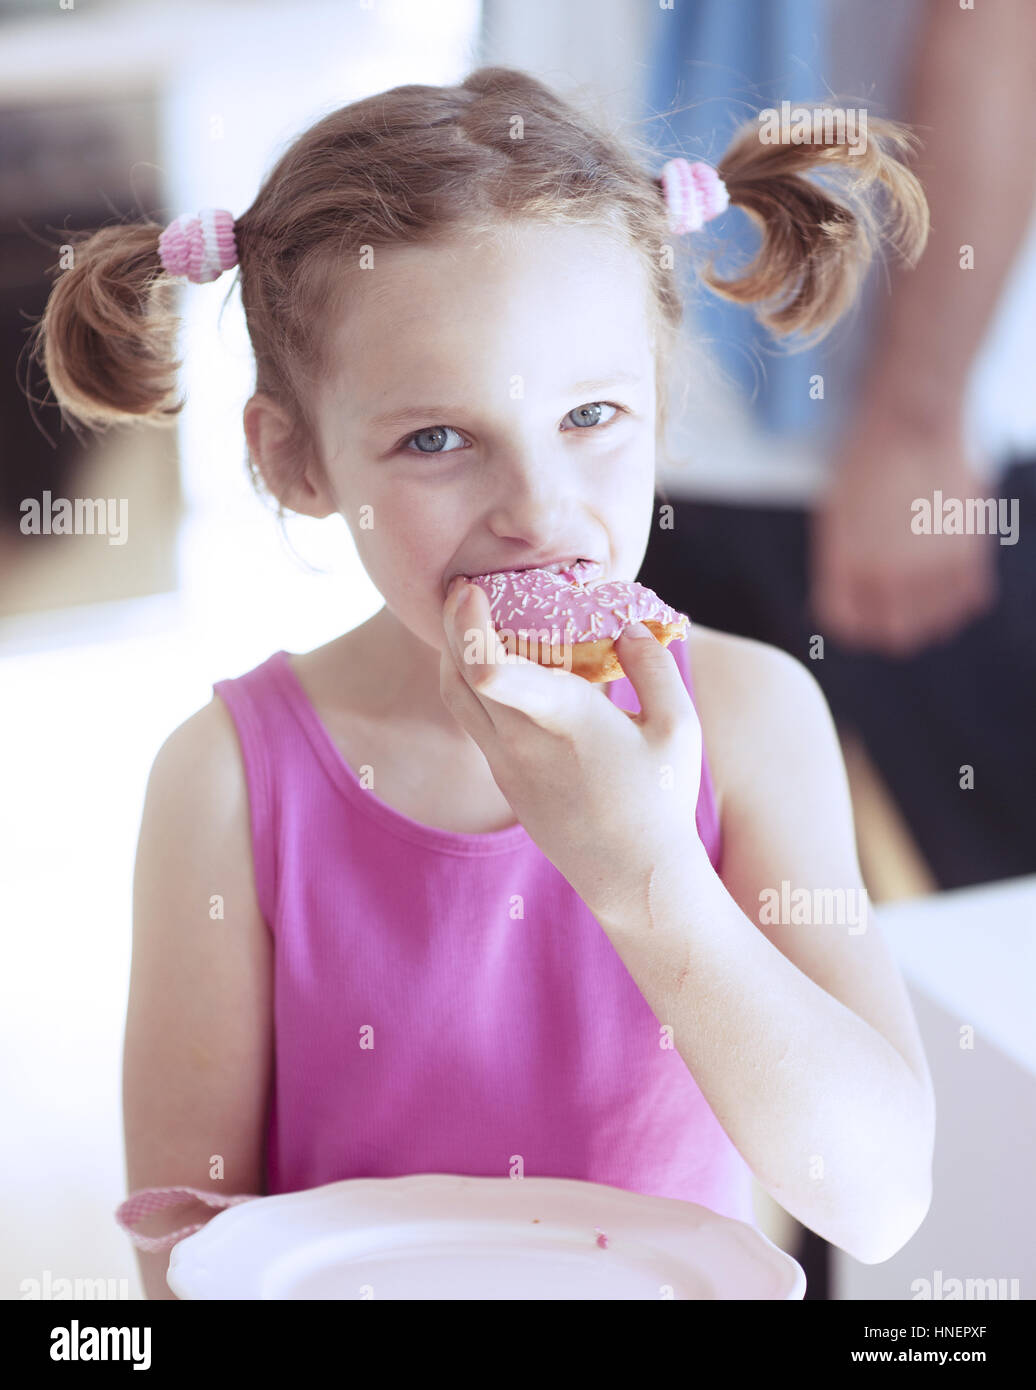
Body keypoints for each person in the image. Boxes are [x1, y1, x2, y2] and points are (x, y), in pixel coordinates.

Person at [33, 67, 936, 1300]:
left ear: (661, 401)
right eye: (437, 440)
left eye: (591, 415)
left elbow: (877, 1198)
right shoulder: (225, 786)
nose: (537, 511)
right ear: (294, 459)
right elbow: (186, 1260)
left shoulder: (753, 716)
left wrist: (647, 878)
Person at [639, 0, 1036, 891]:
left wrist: (917, 420)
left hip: (893, 446)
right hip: (627, 432)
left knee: (1002, 899)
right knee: (693, 892)